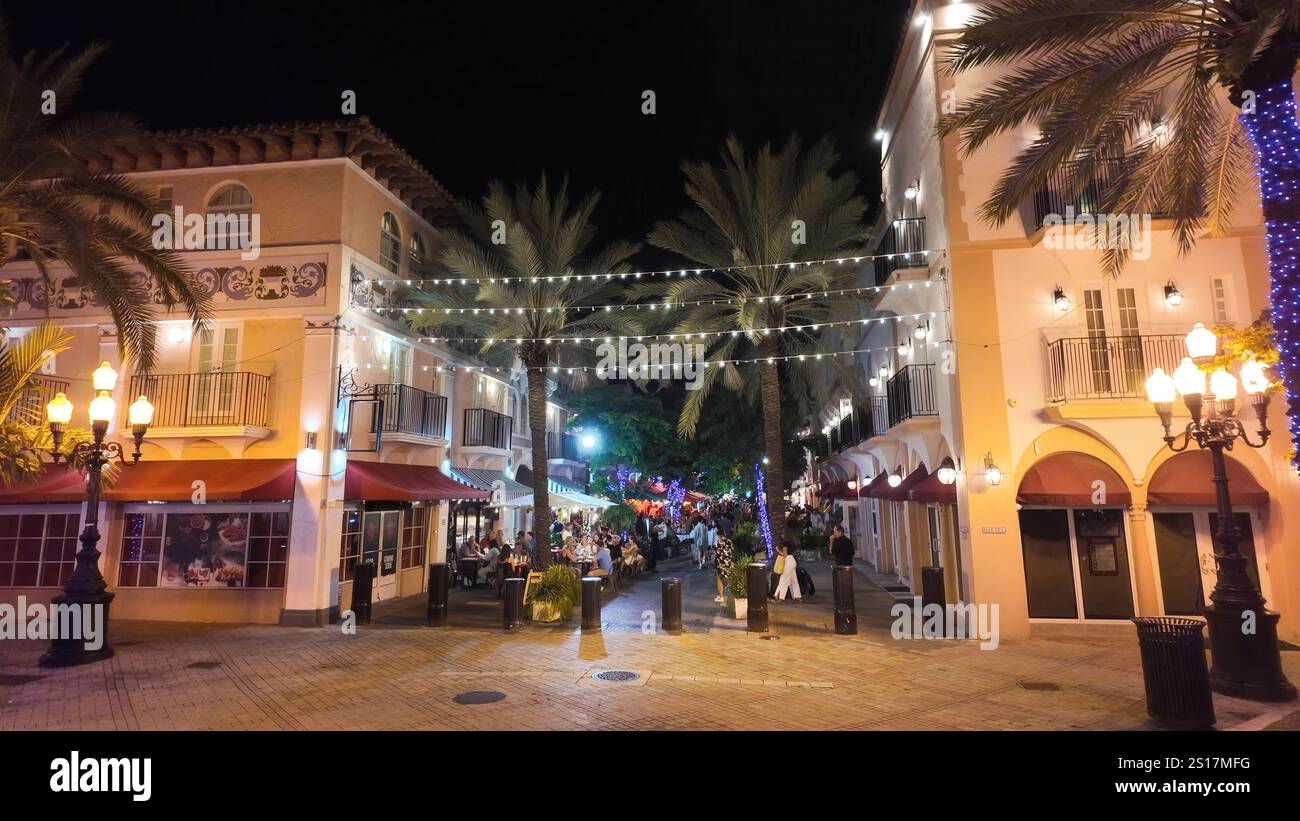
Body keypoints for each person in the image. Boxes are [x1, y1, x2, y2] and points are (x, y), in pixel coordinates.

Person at [713, 533, 734, 604]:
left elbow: (717, 553)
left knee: (719, 579)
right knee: (729, 578)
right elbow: (731, 550)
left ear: (719, 535)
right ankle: (733, 594)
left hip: (721, 564)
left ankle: (721, 596)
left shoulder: (719, 542)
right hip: (729, 563)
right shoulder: (729, 541)